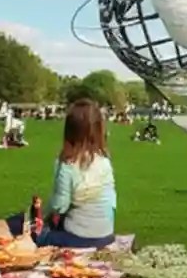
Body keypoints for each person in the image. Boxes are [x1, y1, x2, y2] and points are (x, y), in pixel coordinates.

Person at [6, 99, 117, 249]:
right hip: (106, 236)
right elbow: (111, 202)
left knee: (21, 224)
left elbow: (60, 206)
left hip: (78, 238)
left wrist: (41, 213)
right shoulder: (104, 161)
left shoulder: (68, 163)